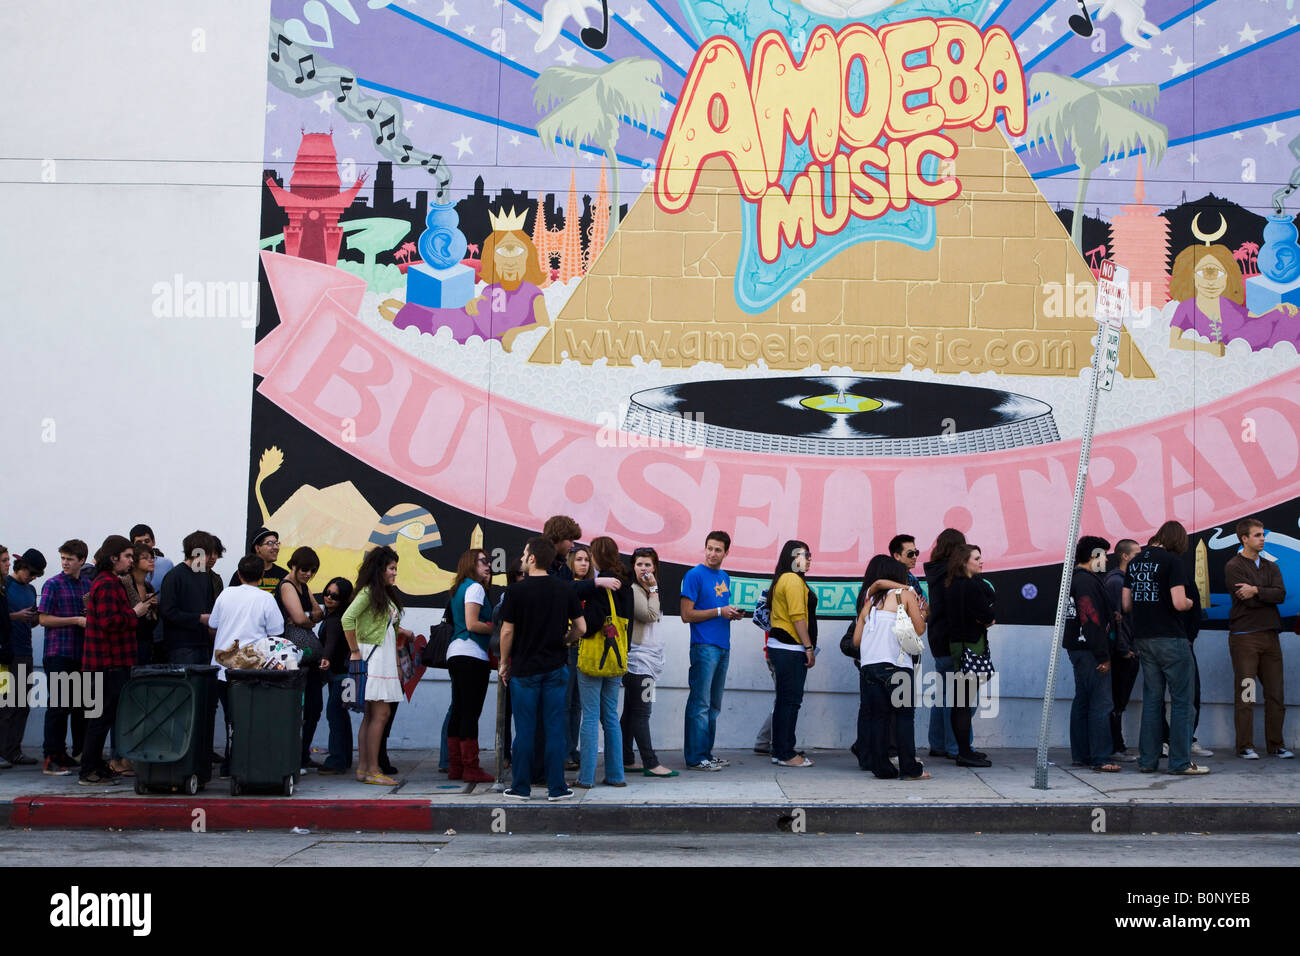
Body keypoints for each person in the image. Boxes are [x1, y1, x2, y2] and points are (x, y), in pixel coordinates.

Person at [499, 536, 585, 800]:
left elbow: (506, 632)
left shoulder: (515, 591)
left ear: (533, 558)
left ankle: (521, 787)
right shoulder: (564, 590)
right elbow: (581, 628)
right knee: (555, 729)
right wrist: (565, 640)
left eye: (525, 554)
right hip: (556, 667)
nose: (522, 558)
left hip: (524, 670)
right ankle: (557, 787)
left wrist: (504, 663)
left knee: (525, 731)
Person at [1122, 521, 1208, 775]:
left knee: (1152, 700)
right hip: (1171, 639)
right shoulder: (1172, 562)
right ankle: (1180, 762)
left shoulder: (1135, 562)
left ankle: (1147, 761)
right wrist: (1192, 602)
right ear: (1176, 541)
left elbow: (1126, 605)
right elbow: (1179, 602)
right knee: (1183, 702)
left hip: (1143, 639)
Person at [79, 536, 151, 785]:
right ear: (113, 558)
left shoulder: (109, 582)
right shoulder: (108, 584)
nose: (131, 561)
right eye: (128, 556)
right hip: (108, 662)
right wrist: (135, 612)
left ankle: (97, 766)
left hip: (108, 661)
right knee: (101, 719)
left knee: (104, 718)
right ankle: (88, 770)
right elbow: (110, 622)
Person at [208, 553, 287, 778]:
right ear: (262, 575)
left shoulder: (225, 594)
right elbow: (276, 632)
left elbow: (213, 623)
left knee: (230, 718)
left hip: (223, 669)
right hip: (251, 669)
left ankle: (228, 766)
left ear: (239, 574)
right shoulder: (265, 599)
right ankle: (243, 765)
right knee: (249, 719)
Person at [853, 554, 929, 780]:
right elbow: (920, 630)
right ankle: (909, 769)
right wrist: (922, 612)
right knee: (904, 718)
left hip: (869, 667)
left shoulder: (870, 601)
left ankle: (882, 768)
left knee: (878, 717)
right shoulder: (905, 594)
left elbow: (856, 641)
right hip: (896, 666)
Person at [341, 546, 412, 785]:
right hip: (373, 659)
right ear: (380, 569)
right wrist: (354, 651)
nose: (394, 573)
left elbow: (391, 631)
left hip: (382, 660)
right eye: (391, 568)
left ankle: (364, 768)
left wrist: (396, 663)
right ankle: (372, 769)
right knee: (380, 713)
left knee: (372, 715)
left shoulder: (382, 594)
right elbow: (347, 619)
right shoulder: (370, 592)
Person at [1224, 518, 1292, 759]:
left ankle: (1277, 745)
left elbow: (1281, 594)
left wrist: (1256, 590)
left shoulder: (1271, 566)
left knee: (1276, 694)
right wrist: (1261, 594)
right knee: (1247, 693)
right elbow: (1246, 600)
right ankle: (1245, 746)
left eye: (1263, 535)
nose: (1263, 539)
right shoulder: (1234, 566)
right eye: (1257, 535)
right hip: (1245, 638)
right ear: (1244, 538)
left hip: (1271, 637)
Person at [572, 536, 631, 789]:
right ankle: (616, 775)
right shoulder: (625, 586)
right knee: (610, 716)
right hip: (617, 659)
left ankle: (586, 777)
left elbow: (591, 624)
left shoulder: (599, 587)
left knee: (590, 716)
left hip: (594, 659)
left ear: (596, 557)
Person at [681, 531, 743, 771]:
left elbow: (719, 609)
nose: (712, 553)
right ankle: (695, 757)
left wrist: (732, 614)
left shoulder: (725, 577)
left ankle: (706, 754)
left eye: (718, 550)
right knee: (700, 703)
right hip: (703, 646)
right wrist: (719, 612)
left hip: (723, 646)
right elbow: (687, 615)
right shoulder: (694, 575)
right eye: (709, 548)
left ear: (726, 552)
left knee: (714, 705)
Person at [1065, 536, 1120, 773]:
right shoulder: (1086, 582)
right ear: (1093, 556)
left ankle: (1082, 754)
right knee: (1100, 703)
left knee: (1083, 700)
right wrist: (1102, 656)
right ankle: (1100, 757)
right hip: (1089, 650)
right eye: (1103, 555)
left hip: (1079, 648)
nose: (1106, 559)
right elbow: (1089, 619)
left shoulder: (1075, 579)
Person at [37, 541, 92, 775]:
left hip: (82, 654)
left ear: (82, 560)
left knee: (79, 708)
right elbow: (43, 619)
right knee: (59, 707)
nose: (65, 563)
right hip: (59, 653)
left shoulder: (88, 585)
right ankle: (52, 756)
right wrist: (75, 620)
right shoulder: (53, 584)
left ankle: (68, 753)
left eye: (70, 559)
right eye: (63, 558)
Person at [622, 547, 676, 777]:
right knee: (643, 712)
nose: (643, 569)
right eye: (639, 564)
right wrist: (653, 589)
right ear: (633, 567)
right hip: (639, 662)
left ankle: (626, 758)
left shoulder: (647, 591)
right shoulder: (636, 590)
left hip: (647, 661)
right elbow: (650, 616)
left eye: (647, 565)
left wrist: (652, 591)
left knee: (630, 713)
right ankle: (651, 763)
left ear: (655, 567)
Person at [445, 549, 496, 784]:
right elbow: (472, 624)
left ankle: (456, 766)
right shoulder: (475, 588)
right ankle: (470, 768)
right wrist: (498, 628)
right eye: (483, 561)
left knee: (458, 709)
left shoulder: (459, 588)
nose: (488, 565)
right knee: (470, 712)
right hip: (472, 653)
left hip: (457, 652)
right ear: (470, 564)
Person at [766, 540, 818, 768]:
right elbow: (798, 617)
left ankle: (781, 750)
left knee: (784, 702)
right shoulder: (793, 580)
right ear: (793, 557)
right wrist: (808, 647)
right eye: (804, 555)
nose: (808, 559)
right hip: (790, 649)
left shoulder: (784, 579)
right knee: (790, 702)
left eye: (809, 555)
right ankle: (786, 753)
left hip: (782, 648)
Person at [944, 544, 994, 768]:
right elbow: (988, 614)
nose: (981, 561)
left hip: (958, 645)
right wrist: (986, 618)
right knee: (964, 702)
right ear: (964, 562)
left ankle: (963, 749)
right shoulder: (971, 586)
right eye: (977, 558)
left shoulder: (953, 585)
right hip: (970, 646)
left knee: (961, 702)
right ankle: (964, 751)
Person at [277, 547, 325, 773]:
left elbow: (318, 613)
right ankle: (294, 755)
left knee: (314, 708)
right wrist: (307, 619)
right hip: (294, 661)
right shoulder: (286, 586)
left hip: (310, 662)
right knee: (298, 708)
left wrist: (307, 619)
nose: (308, 574)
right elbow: (299, 617)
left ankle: (303, 753)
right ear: (293, 565)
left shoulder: (303, 587)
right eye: (304, 569)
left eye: (312, 571)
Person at [923, 529, 966, 760]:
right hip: (954, 640)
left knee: (942, 695)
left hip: (937, 639)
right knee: (958, 698)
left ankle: (938, 743)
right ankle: (955, 746)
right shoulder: (954, 575)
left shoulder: (934, 571)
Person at [2, 547, 46, 768]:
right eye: (31, 573)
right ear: (21, 567)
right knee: (6, 706)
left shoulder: (30, 590)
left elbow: (33, 621)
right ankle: (3, 752)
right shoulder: (5, 587)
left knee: (22, 705)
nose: (32, 578)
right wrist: (15, 617)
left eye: (36, 575)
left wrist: (34, 617)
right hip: (8, 652)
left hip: (26, 651)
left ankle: (14, 750)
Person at [1102, 539, 1141, 762]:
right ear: (1124, 556)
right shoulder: (1117, 582)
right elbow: (1117, 621)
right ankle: (1116, 747)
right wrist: (1125, 649)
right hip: (1122, 652)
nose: (1140, 557)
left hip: (1129, 648)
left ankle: (1117, 746)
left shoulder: (1126, 579)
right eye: (1136, 553)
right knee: (1117, 701)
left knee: (1120, 701)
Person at [160, 531, 217, 665]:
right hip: (181, 646)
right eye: (208, 553)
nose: (210, 558)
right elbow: (167, 612)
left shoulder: (204, 576)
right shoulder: (174, 576)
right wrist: (199, 618)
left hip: (203, 644)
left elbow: (209, 606)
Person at [316, 577, 355, 774]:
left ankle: (337, 760)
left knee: (335, 714)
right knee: (340, 714)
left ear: (344, 599)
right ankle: (344, 757)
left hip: (341, 675)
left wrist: (326, 658)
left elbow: (331, 641)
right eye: (327, 592)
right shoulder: (331, 615)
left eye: (335, 596)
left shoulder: (336, 619)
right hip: (343, 676)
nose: (329, 598)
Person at [563, 542, 594, 770]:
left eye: (586, 560)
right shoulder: (566, 585)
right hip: (568, 647)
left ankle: (572, 750)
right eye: (579, 559)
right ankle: (564, 752)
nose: (583, 564)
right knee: (565, 702)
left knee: (577, 705)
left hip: (586, 648)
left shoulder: (591, 586)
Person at [120, 543, 160, 667]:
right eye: (145, 558)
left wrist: (154, 606)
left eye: (152, 557)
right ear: (134, 561)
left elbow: (152, 621)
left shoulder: (148, 586)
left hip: (146, 642)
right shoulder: (125, 583)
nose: (151, 561)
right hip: (128, 644)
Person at [229, 527, 287, 594]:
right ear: (257, 548)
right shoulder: (243, 573)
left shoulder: (283, 575)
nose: (276, 547)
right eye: (270, 543)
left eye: (277, 543)